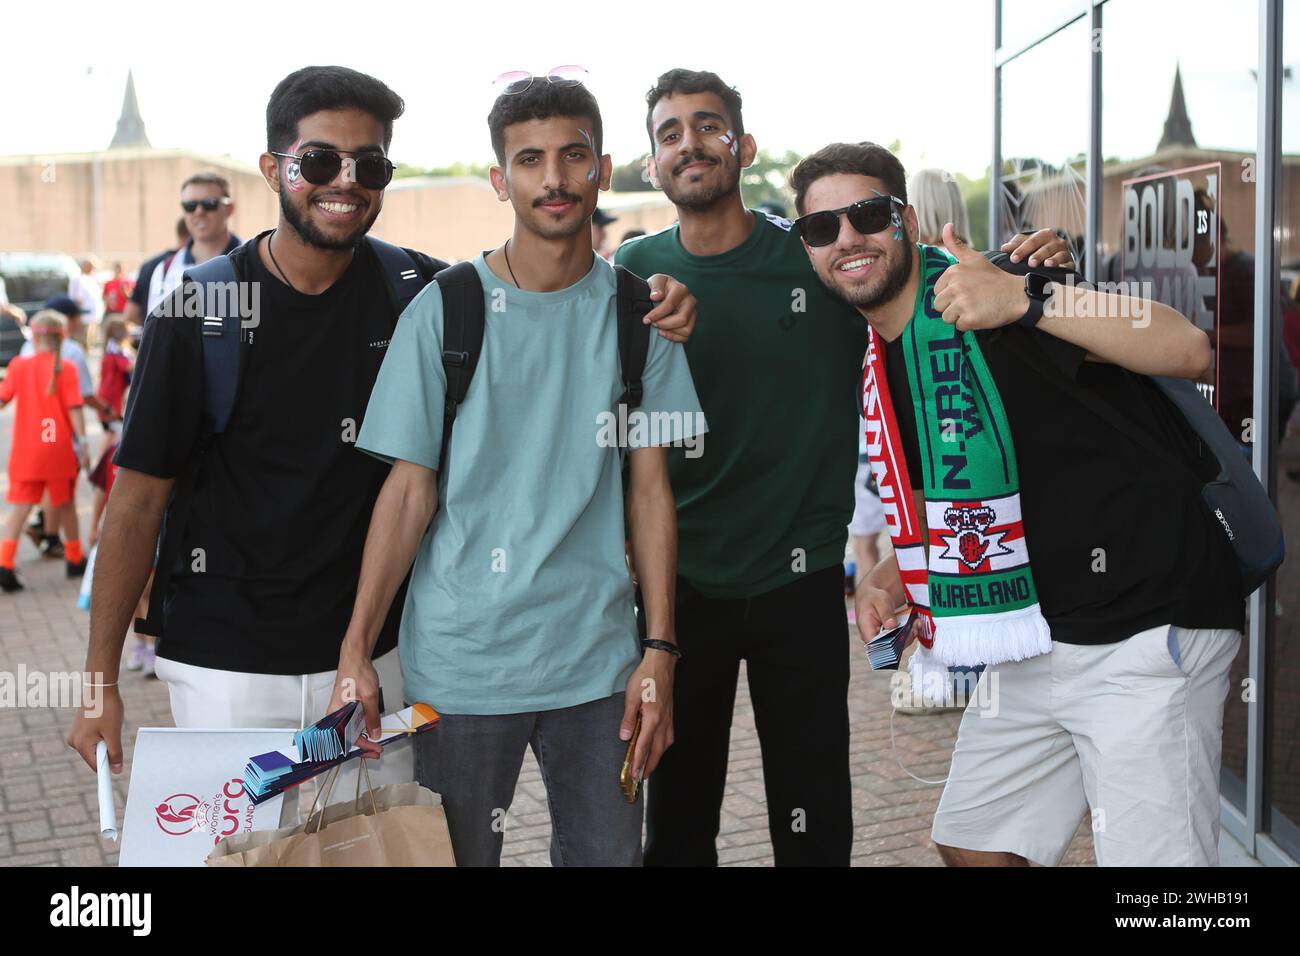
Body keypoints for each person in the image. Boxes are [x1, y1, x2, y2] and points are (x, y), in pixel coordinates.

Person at [66, 65, 698, 793]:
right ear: (273, 169)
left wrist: (660, 296)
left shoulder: (421, 295)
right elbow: (137, 501)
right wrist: (98, 683)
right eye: (319, 161)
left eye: (369, 163)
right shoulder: (199, 311)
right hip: (227, 664)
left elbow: (539, 292)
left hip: (381, 662)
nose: (345, 180)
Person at [615, 69, 1071, 867]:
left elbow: (932, 282)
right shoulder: (631, 271)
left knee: (812, 810)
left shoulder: (817, 251)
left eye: (709, 125)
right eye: (669, 132)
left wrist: (1033, 263)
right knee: (679, 821)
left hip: (803, 576)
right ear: (651, 165)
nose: (690, 142)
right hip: (680, 584)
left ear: (743, 146)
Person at [792, 141, 1244, 867]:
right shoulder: (880, 363)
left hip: (1145, 626)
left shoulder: (999, 290)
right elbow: (960, 498)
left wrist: (1025, 298)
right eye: (821, 228)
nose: (847, 238)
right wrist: (896, 573)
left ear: (905, 220)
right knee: (975, 844)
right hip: (1031, 633)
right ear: (808, 251)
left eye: (867, 214)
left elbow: (1187, 346)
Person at [328, 76, 704, 867]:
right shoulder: (445, 310)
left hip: (599, 663)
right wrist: (356, 649)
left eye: (573, 155)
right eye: (529, 159)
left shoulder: (645, 319)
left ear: (602, 169)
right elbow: (407, 490)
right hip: (462, 667)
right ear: (501, 180)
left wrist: (660, 650)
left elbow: (650, 492)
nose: (554, 178)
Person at [0, 311, 89, 592]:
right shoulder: (67, 368)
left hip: (27, 450)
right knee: (67, 505)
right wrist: (84, 444)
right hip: (57, 448)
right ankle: (75, 559)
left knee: (20, 509)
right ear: (61, 336)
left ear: (35, 336)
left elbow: (2, 399)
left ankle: (4, 563)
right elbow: (75, 410)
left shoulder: (18, 365)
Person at [19, 295, 109, 565]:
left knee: (45, 488)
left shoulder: (26, 351)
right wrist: (85, 439)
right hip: (56, 434)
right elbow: (79, 401)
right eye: (76, 316)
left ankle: (45, 532)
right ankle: (62, 546)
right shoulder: (71, 355)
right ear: (64, 322)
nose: (80, 320)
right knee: (63, 493)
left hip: (31, 432)